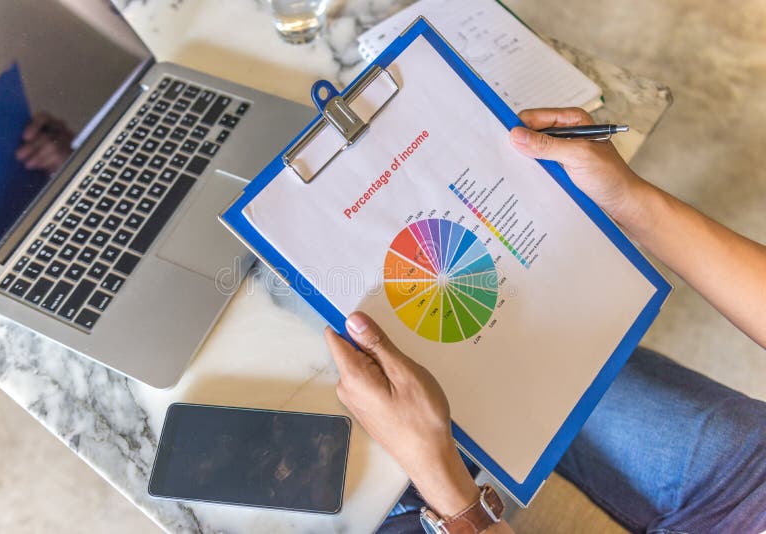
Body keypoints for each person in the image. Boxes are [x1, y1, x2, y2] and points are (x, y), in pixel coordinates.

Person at [324, 108, 766, 533]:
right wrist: (630, 197)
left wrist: (444, 484)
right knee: (561, 364)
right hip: (753, 484)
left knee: (371, 499)